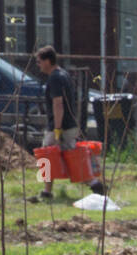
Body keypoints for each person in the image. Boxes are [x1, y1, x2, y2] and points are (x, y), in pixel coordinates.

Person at [34, 45, 106, 199]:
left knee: (46, 157)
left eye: (39, 61)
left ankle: (93, 184)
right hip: (70, 125)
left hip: (61, 126)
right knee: (67, 158)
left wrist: (57, 129)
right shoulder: (63, 74)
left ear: (48, 61)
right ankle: (93, 184)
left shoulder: (55, 78)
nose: (38, 65)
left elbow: (58, 104)